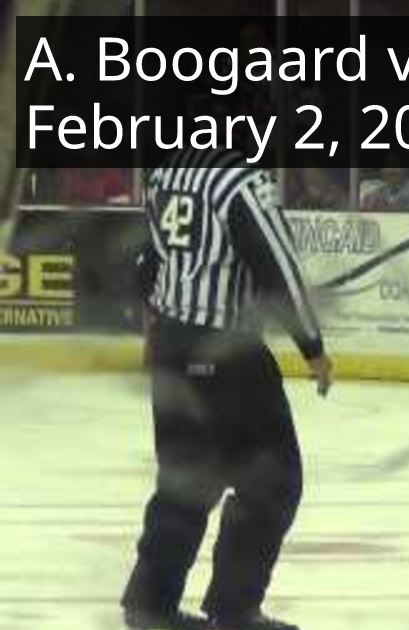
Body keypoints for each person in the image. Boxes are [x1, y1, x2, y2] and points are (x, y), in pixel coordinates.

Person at [122, 144, 333, 630]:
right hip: (226, 352)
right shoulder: (244, 183)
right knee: (274, 483)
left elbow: (147, 261)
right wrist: (313, 347)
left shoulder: (167, 173)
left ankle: (148, 605)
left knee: (185, 479)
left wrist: (154, 328)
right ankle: (235, 608)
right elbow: (279, 268)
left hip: (174, 345)